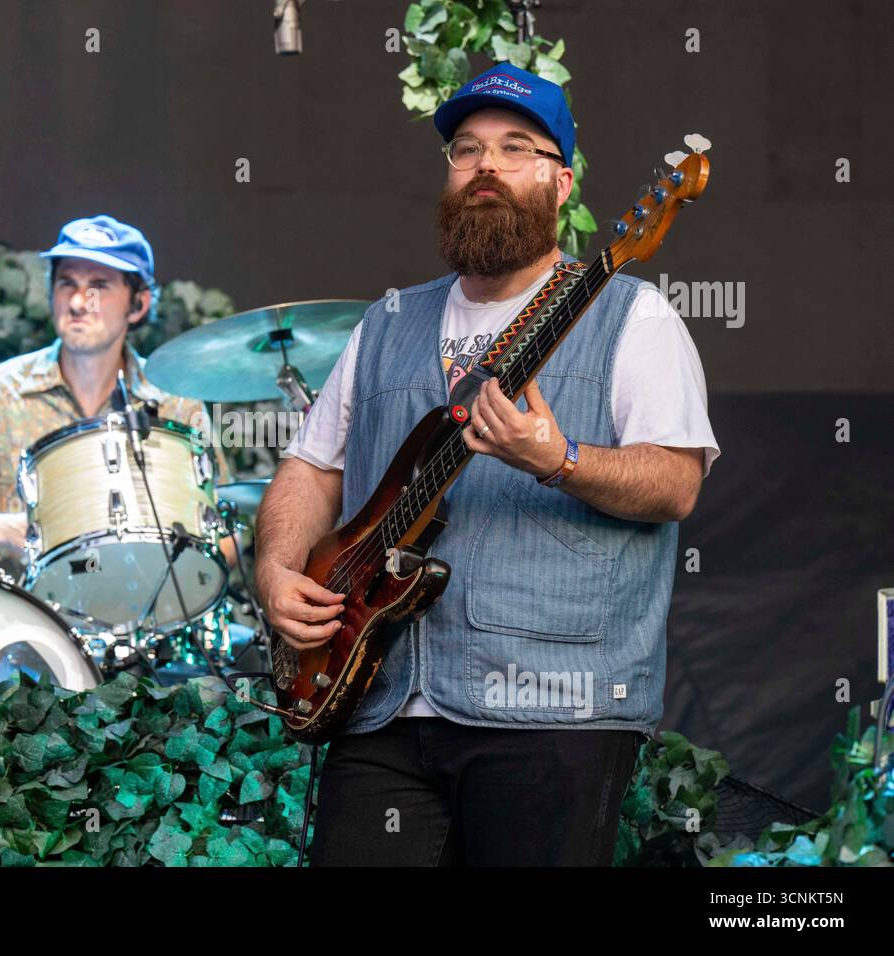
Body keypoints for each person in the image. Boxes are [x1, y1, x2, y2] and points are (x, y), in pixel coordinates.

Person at [254, 63, 720, 866]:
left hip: (555, 715)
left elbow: (676, 485)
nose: (486, 167)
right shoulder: (388, 321)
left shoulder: (633, 315)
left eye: (516, 147)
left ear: (562, 182)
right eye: (466, 150)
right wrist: (273, 569)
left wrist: (559, 459)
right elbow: (310, 469)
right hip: (383, 706)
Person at [0, 214, 229, 580]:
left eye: (98, 287)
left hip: (148, 618)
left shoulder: (177, 404)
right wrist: (4, 530)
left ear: (137, 305)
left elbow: (225, 540)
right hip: (20, 621)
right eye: (66, 284)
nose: (77, 302)